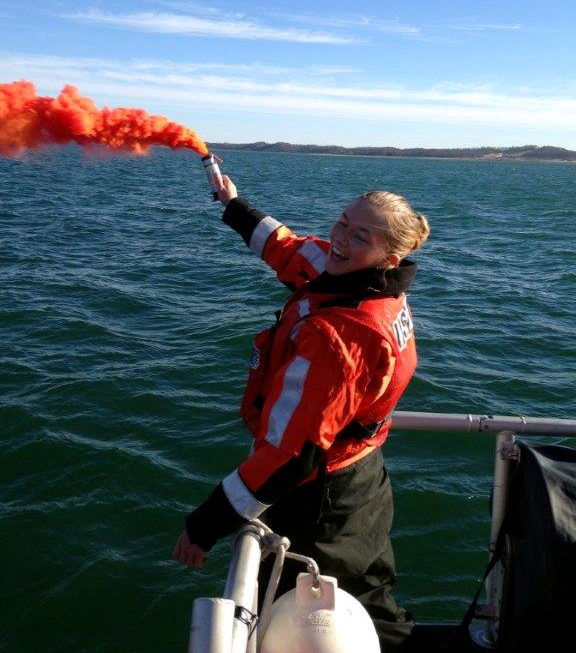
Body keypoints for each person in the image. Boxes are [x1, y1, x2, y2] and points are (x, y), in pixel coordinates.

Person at [173, 174, 430, 651]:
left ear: (389, 257)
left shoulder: (343, 335)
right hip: (364, 479)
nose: (340, 238)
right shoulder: (368, 282)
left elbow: (292, 454)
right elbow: (292, 251)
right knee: (370, 597)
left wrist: (205, 525)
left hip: (322, 501)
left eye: (360, 236)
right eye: (342, 223)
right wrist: (234, 205)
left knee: (300, 612)